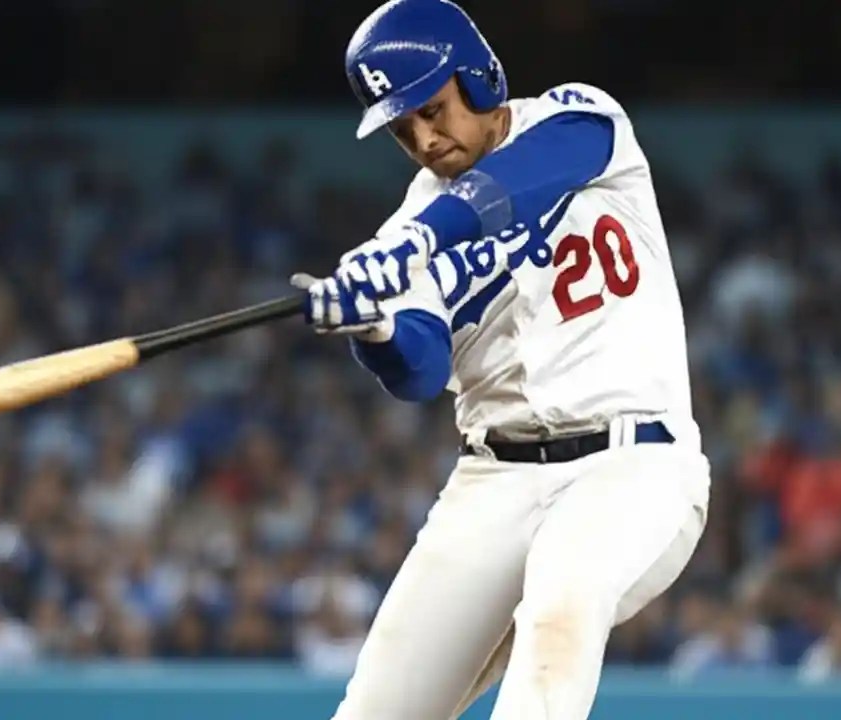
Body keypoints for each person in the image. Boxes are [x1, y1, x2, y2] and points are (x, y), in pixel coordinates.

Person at [290, 1, 711, 717]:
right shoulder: (405, 234)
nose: (424, 138)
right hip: (494, 481)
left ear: (479, 77)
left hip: (632, 464)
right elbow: (420, 369)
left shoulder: (579, 119)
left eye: (433, 107)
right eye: (402, 128)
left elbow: (528, 176)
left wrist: (418, 242)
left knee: (560, 609)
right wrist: (372, 328)